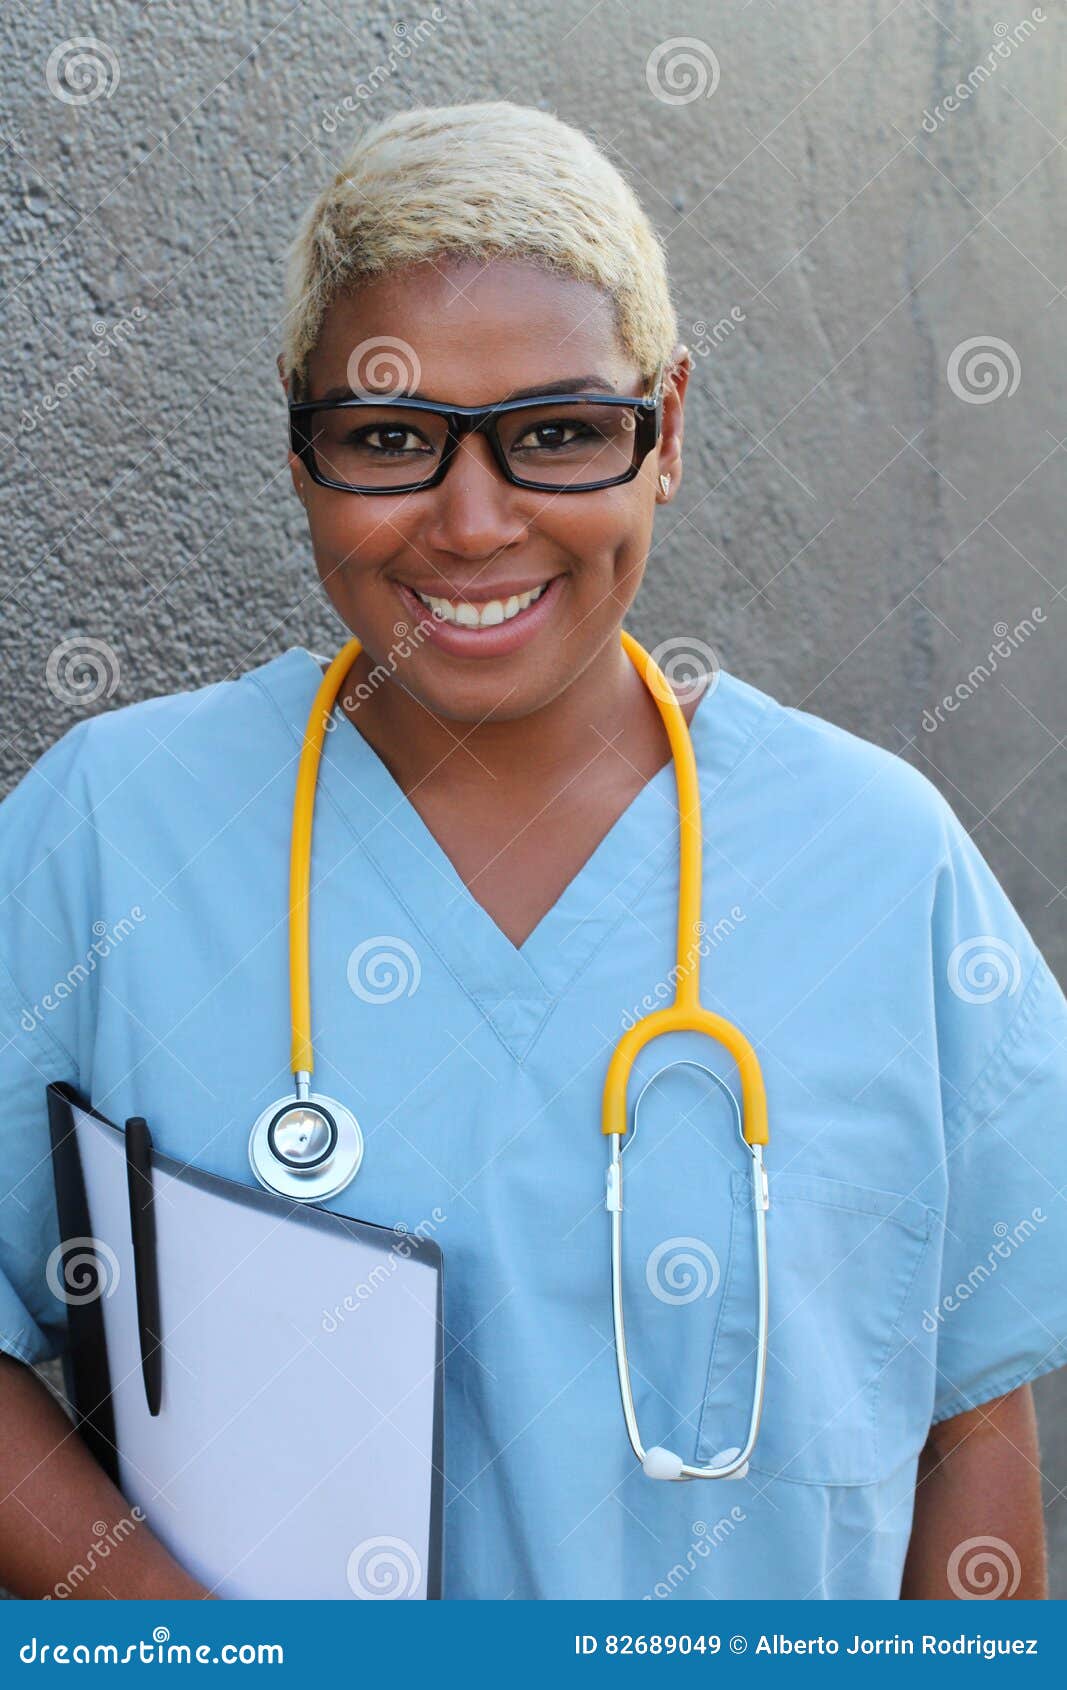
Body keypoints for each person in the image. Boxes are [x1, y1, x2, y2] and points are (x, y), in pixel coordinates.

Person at [1, 99, 1065, 1602]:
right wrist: (185, 1635)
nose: (474, 520)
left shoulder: (879, 864)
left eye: (561, 433)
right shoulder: (116, 829)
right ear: (301, 452)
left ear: (670, 430)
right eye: (389, 439)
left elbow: (974, 1418)